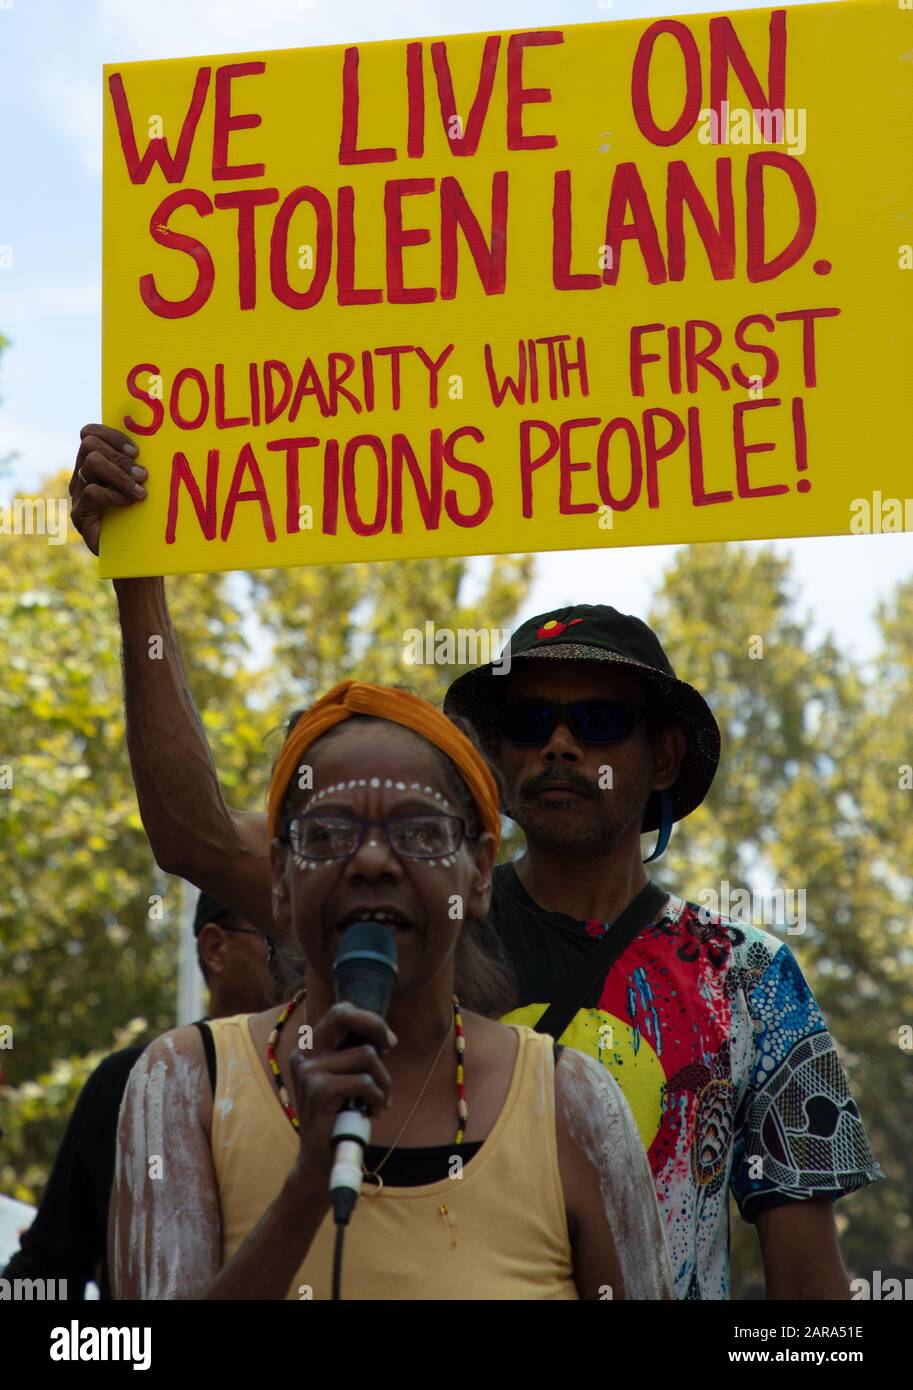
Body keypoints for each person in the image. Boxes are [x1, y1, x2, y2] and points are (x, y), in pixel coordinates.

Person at [72, 426, 883, 1300]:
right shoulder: (412, 914)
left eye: (600, 722)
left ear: (664, 756)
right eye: (528, 725)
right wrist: (138, 575)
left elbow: (812, 1300)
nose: (561, 745)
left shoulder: (750, 981)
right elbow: (191, 833)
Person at [108, 681, 674, 1300]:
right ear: (279, 876)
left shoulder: (576, 1102)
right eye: (326, 835)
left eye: (421, 833)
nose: (373, 861)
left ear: (480, 872)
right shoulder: (189, 1080)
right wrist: (307, 1185)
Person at [1, 893, 278, 1299]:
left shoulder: (342, 1083)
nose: (301, 959)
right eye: (277, 939)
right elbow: (47, 1275)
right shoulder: (128, 1080)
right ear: (216, 948)